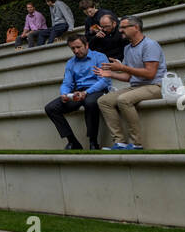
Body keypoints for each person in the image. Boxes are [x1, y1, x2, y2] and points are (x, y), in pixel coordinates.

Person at [94, 16, 166, 150]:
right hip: (136, 87)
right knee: (104, 101)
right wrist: (112, 74)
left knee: (123, 100)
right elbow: (128, 76)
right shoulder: (127, 48)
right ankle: (120, 142)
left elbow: (150, 73)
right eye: (120, 27)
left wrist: (122, 68)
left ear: (136, 28)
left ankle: (136, 143)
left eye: (123, 27)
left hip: (155, 86)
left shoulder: (150, 45)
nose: (120, 30)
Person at [44, 34, 109, 150]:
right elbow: (67, 83)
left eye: (78, 47)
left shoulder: (100, 57)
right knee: (51, 108)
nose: (76, 51)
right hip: (78, 93)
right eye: (73, 48)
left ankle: (93, 142)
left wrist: (86, 92)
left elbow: (104, 81)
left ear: (87, 45)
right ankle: (73, 142)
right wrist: (64, 94)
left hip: (97, 89)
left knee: (90, 102)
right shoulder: (71, 63)